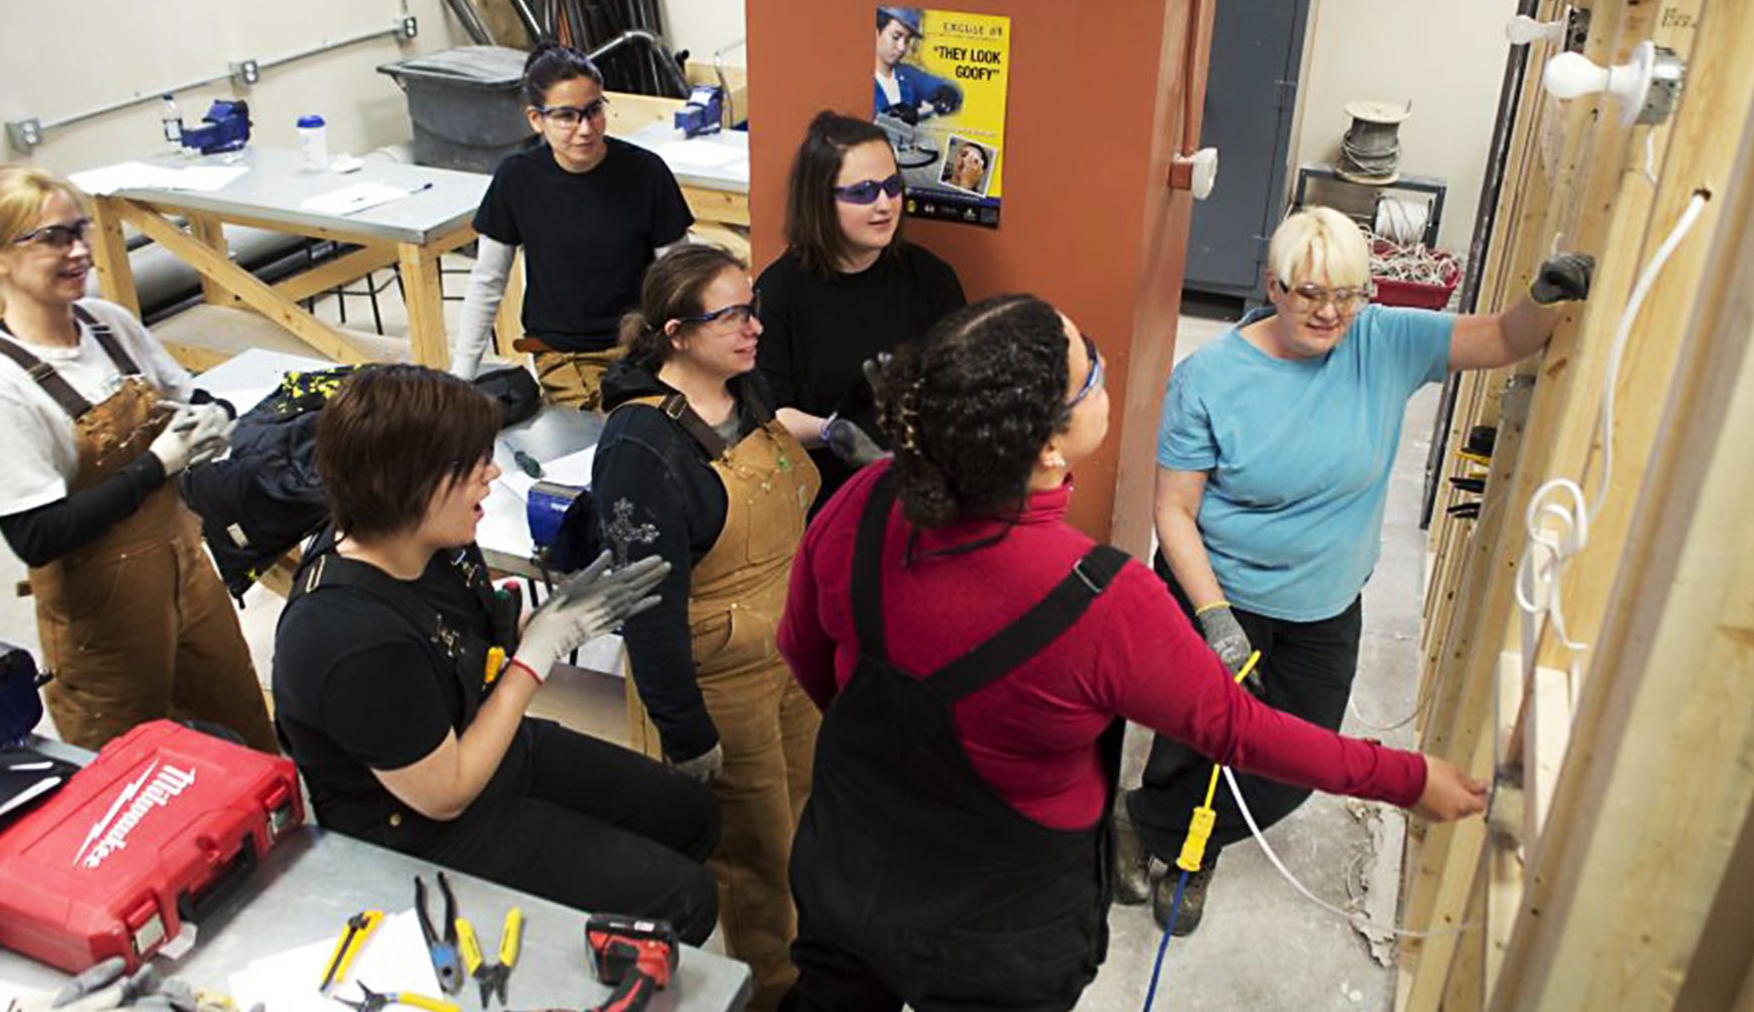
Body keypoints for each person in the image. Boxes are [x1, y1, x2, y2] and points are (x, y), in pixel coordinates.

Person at [777, 294, 1489, 1011]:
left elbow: (803, 650)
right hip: (999, 927)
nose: (1106, 363)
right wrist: (1403, 776)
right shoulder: (1103, 602)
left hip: (847, 868)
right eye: (1090, 367)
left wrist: (903, 757)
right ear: (1048, 445)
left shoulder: (866, 496)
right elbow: (1240, 731)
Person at [1121, 206, 1594, 933]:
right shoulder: (1211, 377)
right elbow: (1174, 510)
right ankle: (1185, 849)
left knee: (1294, 760)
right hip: (1217, 589)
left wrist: (1545, 298)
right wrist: (1214, 616)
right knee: (1197, 740)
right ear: (1274, 287)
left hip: (1323, 602)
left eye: (1348, 292)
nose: (1331, 311)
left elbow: (1503, 337)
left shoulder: (1385, 341)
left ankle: (1155, 827)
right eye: (1310, 293)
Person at [269, 364, 720, 940]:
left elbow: (465, 639)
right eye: (471, 465)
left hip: (490, 746)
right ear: (409, 482)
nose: (494, 474)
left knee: (692, 815)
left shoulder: (431, 546)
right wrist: (535, 657)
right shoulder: (350, 639)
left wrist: (551, 619)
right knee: (685, 900)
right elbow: (446, 795)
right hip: (430, 829)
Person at [0, 165, 277, 753]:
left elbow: (191, 397)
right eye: (51, 238)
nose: (78, 250)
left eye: (79, 231)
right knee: (135, 772)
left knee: (245, 736)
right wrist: (155, 466)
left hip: (188, 572)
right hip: (102, 615)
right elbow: (37, 534)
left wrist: (217, 414)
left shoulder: (111, 326)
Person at [591, 246, 821, 1010]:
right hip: (721, 683)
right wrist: (686, 733)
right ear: (677, 333)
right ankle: (773, 992)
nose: (755, 326)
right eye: (733, 315)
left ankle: (814, 958)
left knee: (806, 818)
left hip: (790, 653)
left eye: (753, 307)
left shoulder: (741, 392)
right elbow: (642, 604)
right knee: (753, 854)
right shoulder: (641, 446)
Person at [451, 42, 694, 409]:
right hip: (564, 356)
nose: (585, 129)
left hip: (642, 347)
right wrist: (461, 377)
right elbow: (488, 279)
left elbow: (681, 277)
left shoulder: (646, 172)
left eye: (594, 110)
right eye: (566, 116)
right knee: (605, 436)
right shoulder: (517, 179)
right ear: (536, 119)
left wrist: (689, 355)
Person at [755, 111, 966, 508]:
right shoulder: (779, 291)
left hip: (915, 489)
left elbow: (958, 393)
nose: (885, 204)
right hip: (820, 495)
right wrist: (833, 431)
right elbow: (769, 415)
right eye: (864, 192)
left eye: (892, 186)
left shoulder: (931, 278)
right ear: (820, 200)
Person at [872, 6, 962, 126]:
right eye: (896, 37)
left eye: (907, 40)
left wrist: (948, 93)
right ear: (876, 32)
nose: (902, 47)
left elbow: (945, 86)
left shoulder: (907, 75)